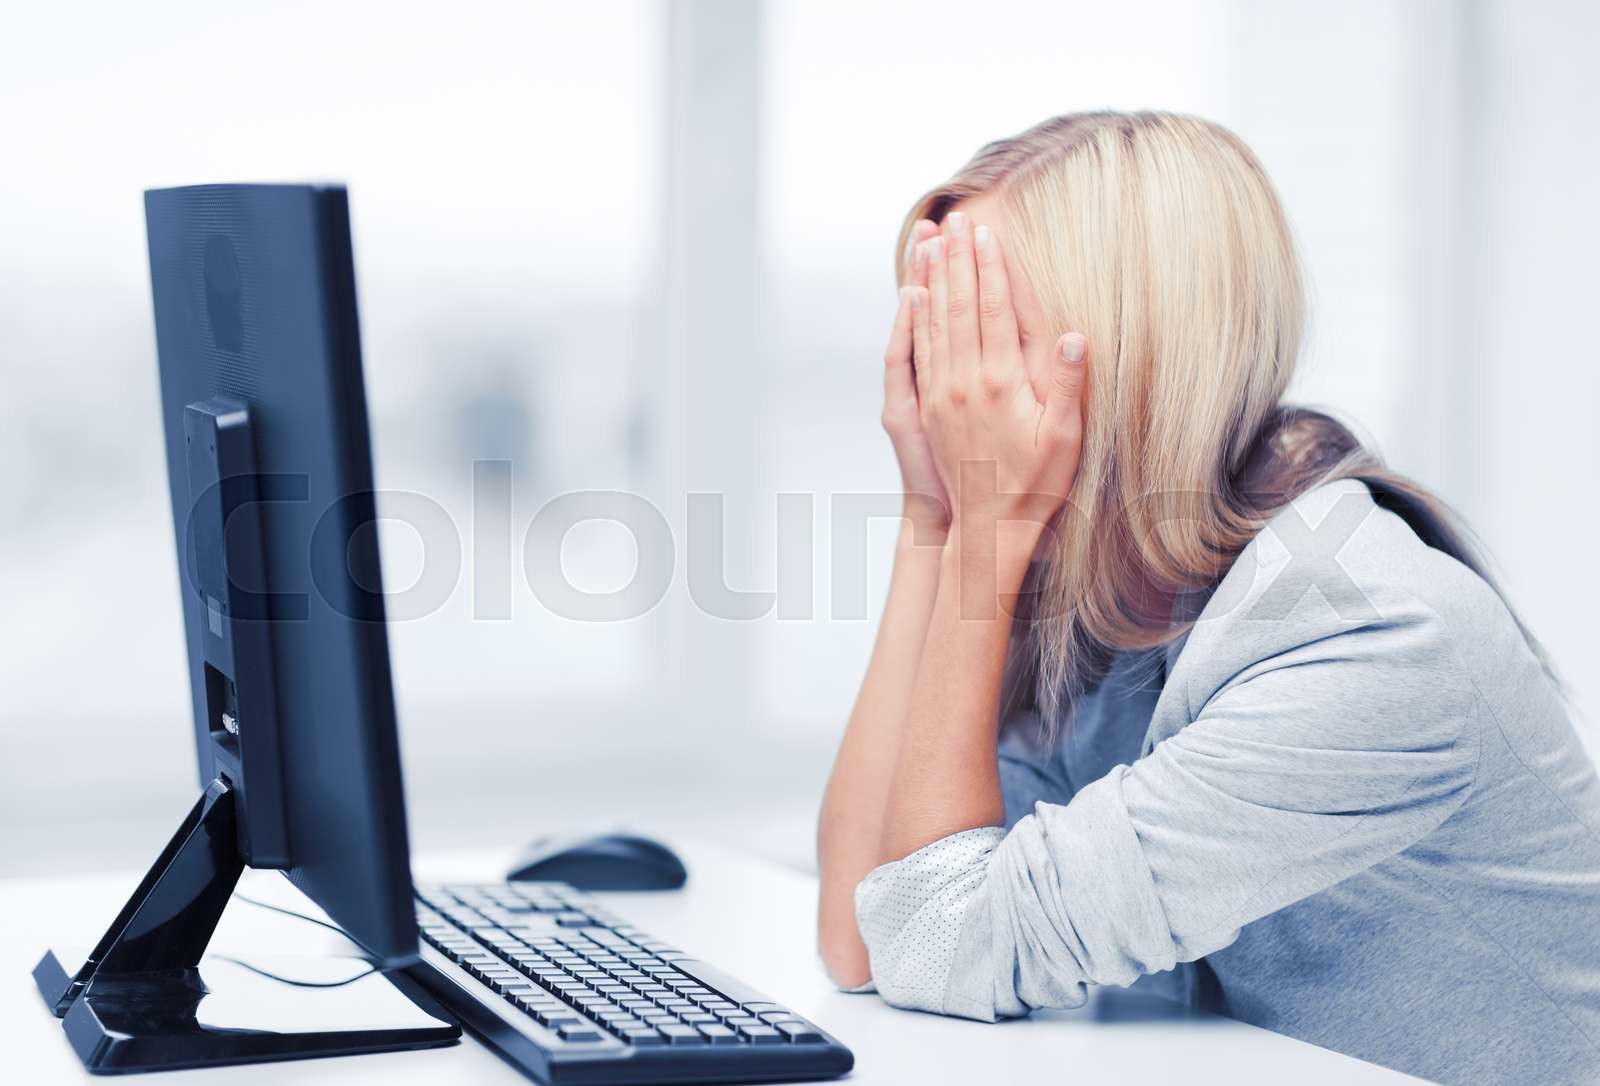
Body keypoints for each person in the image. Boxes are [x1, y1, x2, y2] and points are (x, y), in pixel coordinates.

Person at [815, 111, 1600, 1085]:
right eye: (939, 341)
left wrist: (982, 536)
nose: (949, 397)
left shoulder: (1363, 627)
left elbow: (941, 942)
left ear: (1141, 350)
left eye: (986, 338)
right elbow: (865, 931)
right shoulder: (1115, 601)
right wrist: (931, 516)